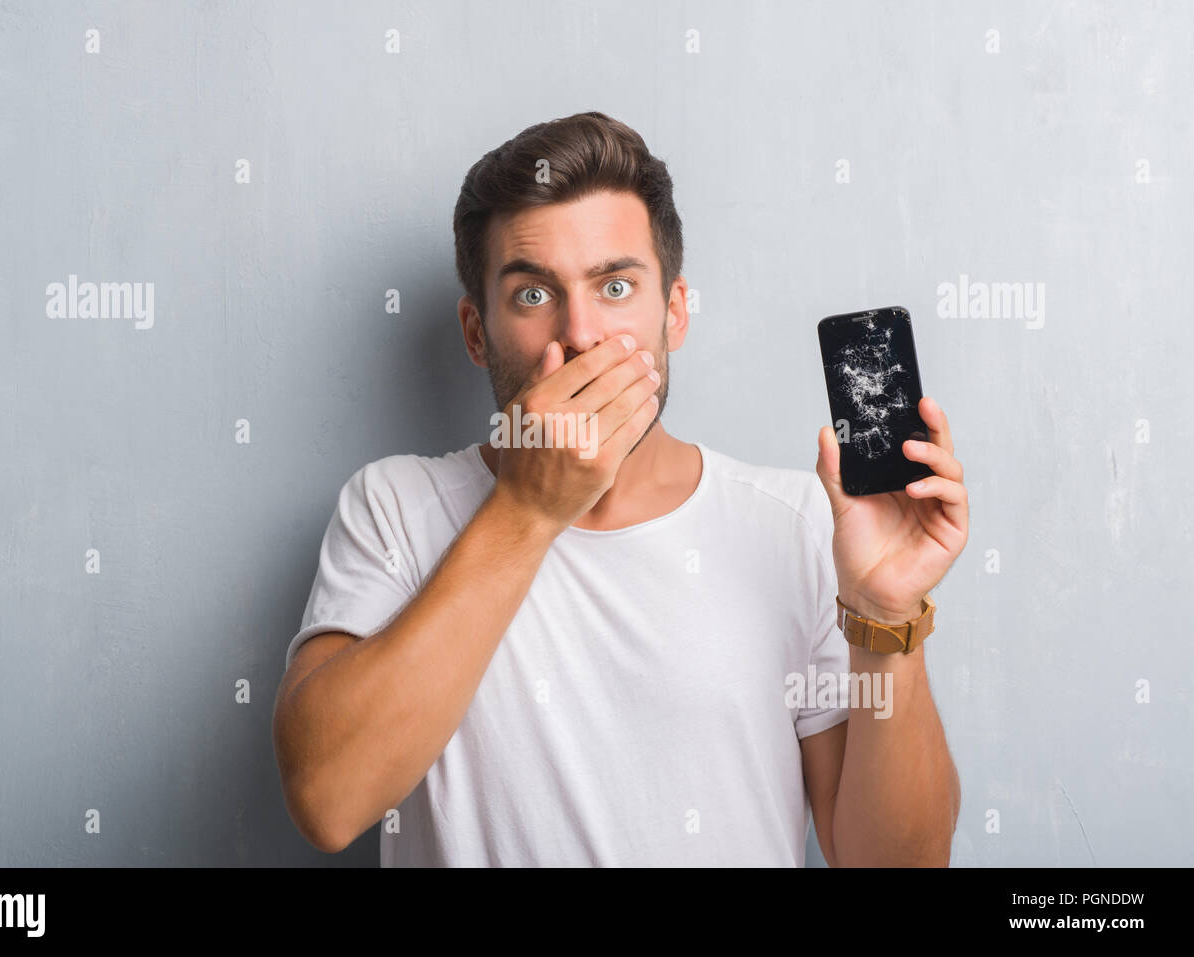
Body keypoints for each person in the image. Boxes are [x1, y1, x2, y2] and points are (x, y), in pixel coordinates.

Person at [272, 111, 967, 866]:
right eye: (533, 295)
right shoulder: (394, 509)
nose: (581, 334)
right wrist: (530, 509)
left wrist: (886, 617)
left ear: (673, 313)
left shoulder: (794, 521)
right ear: (477, 333)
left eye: (615, 285)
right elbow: (327, 801)